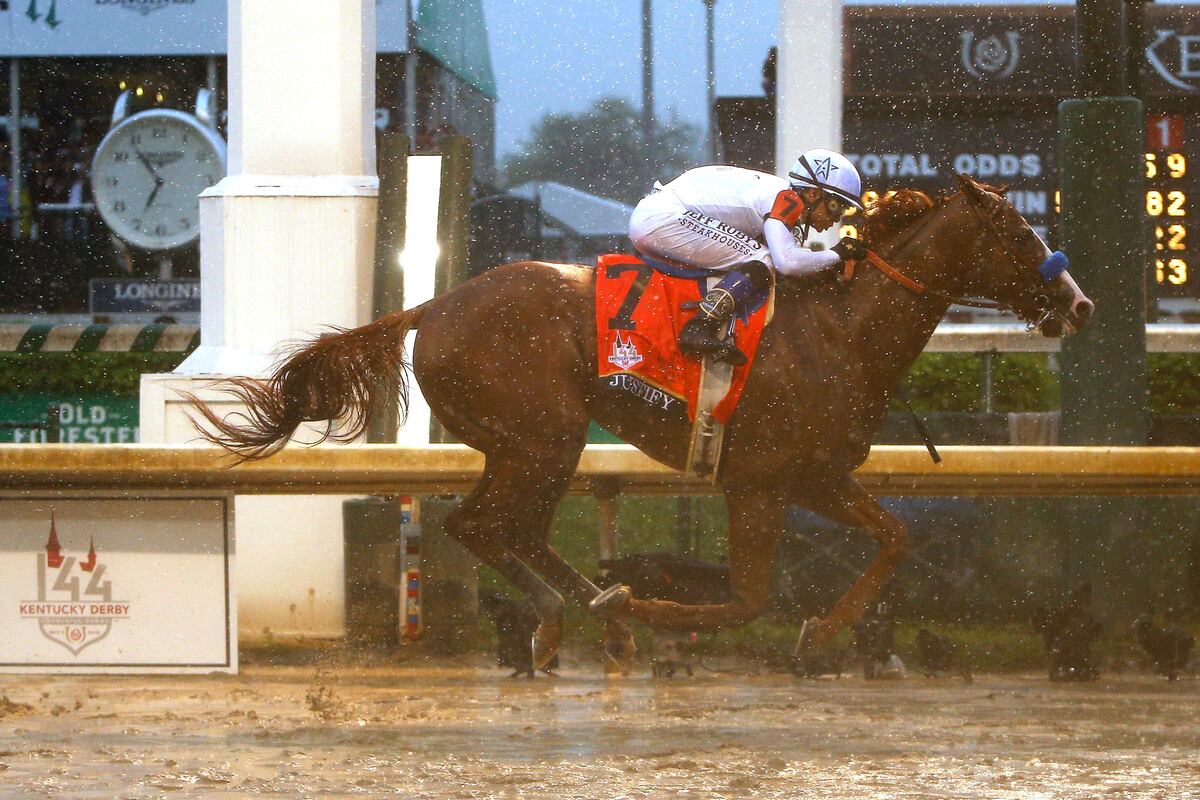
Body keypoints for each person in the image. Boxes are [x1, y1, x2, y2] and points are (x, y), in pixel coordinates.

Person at [628, 149, 867, 365]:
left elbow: (792, 261)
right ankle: (699, 326)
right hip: (663, 218)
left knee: (762, 258)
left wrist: (827, 263)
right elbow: (787, 262)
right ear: (813, 194)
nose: (837, 218)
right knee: (764, 259)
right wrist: (837, 254)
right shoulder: (786, 199)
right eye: (836, 206)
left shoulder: (782, 196)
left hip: (658, 216)